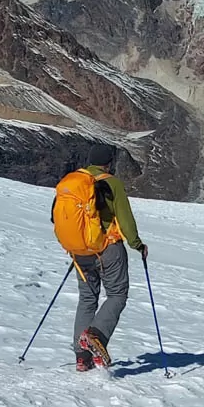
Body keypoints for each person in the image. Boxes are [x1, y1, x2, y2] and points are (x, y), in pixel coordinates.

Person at [72, 144, 148, 372]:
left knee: (87, 299)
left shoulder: (75, 181)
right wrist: (137, 244)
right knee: (116, 295)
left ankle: (82, 358)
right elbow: (125, 218)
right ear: (108, 162)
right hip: (109, 248)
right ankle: (95, 335)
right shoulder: (111, 183)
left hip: (80, 250)